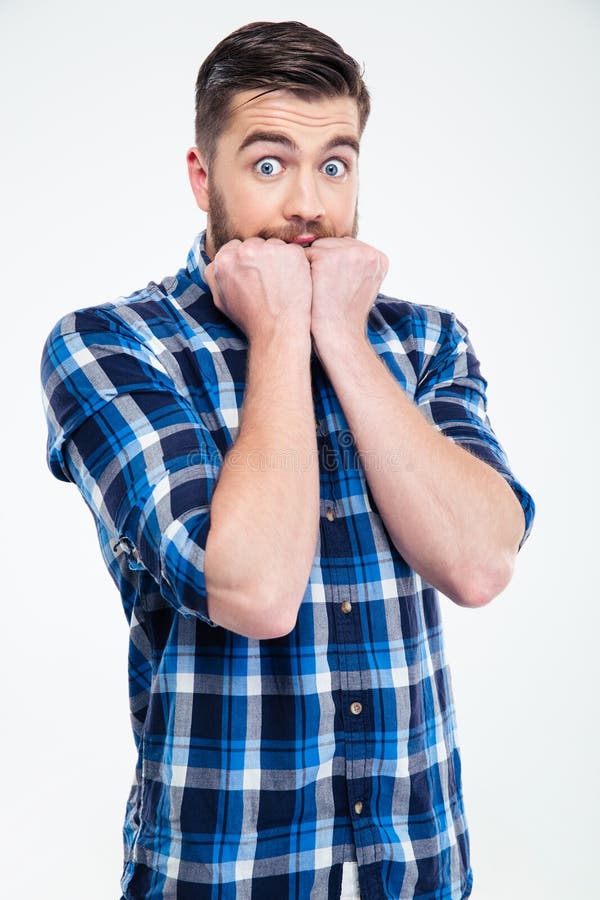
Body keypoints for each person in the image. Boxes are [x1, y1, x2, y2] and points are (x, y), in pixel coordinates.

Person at [40, 20, 535, 900]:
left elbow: (480, 561)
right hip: (222, 873)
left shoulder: (424, 342)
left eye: (334, 164)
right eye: (269, 164)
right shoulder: (115, 346)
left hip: (418, 870)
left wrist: (341, 335)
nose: (308, 202)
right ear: (203, 178)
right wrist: (279, 333)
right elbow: (254, 589)